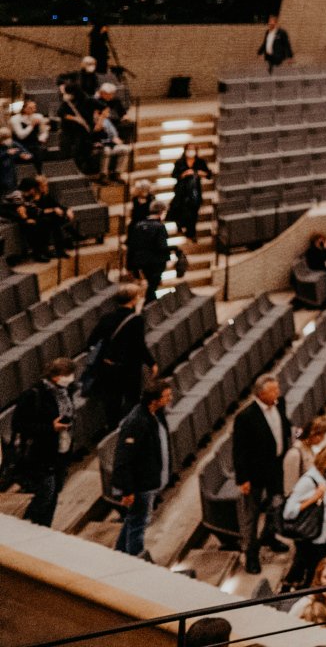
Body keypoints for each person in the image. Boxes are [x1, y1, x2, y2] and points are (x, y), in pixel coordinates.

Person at [234, 374, 294, 573]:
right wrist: (242, 479)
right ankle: (251, 554)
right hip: (255, 473)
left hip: (276, 466)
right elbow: (239, 450)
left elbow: (284, 424)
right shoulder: (245, 417)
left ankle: (270, 535)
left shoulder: (280, 403)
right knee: (251, 515)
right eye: (273, 390)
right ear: (261, 394)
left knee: (276, 504)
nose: (278, 393)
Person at [110, 380, 173, 559]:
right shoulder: (136, 422)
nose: (170, 399)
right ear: (154, 400)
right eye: (167, 396)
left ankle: (120, 553)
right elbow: (124, 460)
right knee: (139, 522)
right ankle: (136, 558)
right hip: (140, 483)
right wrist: (127, 490)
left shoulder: (156, 414)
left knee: (134, 519)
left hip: (150, 478)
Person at [15, 357, 77, 527]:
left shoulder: (66, 392)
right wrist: (51, 427)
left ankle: (44, 528)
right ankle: (27, 525)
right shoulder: (33, 395)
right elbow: (20, 425)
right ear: (55, 376)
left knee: (55, 493)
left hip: (62, 450)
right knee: (46, 494)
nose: (71, 378)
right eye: (68, 374)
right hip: (40, 453)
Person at [85, 282, 151, 427]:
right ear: (133, 299)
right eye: (138, 296)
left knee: (112, 402)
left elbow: (91, 342)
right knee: (131, 400)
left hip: (108, 367)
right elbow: (140, 345)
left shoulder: (107, 318)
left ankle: (112, 428)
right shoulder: (136, 320)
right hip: (129, 368)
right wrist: (152, 363)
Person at [282, 443, 326, 591]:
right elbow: (288, 511)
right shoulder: (308, 481)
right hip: (310, 536)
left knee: (312, 572)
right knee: (312, 574)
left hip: (323, 535)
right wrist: (314, 497)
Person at [125, 198, 170, 303]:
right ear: (161, 212)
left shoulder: (139, 225)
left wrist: (130, 265)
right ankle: (150, 307)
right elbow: (161, 246)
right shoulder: (160, 227)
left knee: (150, 286)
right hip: (156, 262)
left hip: (142, 262)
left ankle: (151, 305)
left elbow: (132, 246)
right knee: (152, 288)